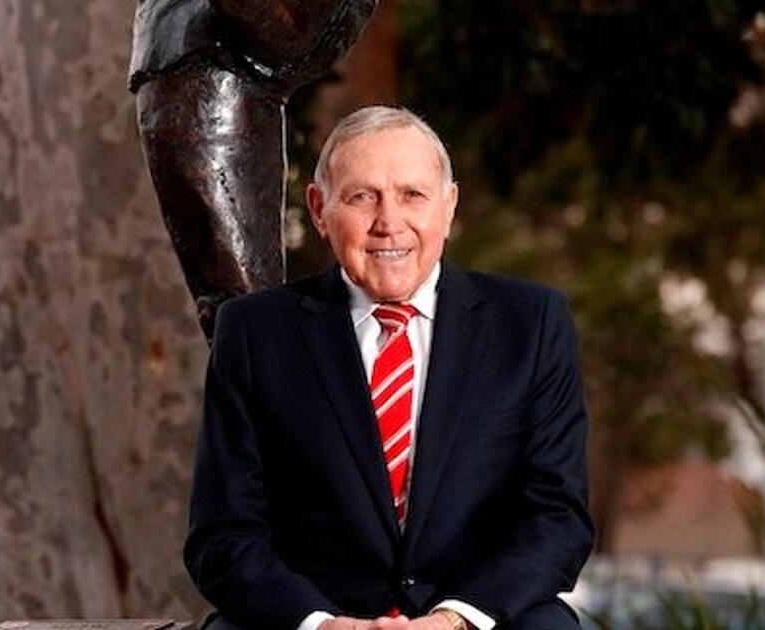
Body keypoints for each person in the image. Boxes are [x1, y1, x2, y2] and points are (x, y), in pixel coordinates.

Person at [185, 105, 594, 630]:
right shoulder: (252, 332)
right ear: (318, 208)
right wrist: (323, 624)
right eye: (362, 197)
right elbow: (222, 533)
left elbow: (559, 519)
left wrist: (452, 620)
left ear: (449, 206)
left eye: (412, 195)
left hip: (479, 616)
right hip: (312, 618)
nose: (388, 223)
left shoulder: (532, 324)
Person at [129, 0, 377, 339]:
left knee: (245, 315)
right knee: (237, 315)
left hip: (215, 75)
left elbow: (293, 35)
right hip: (177, 66)